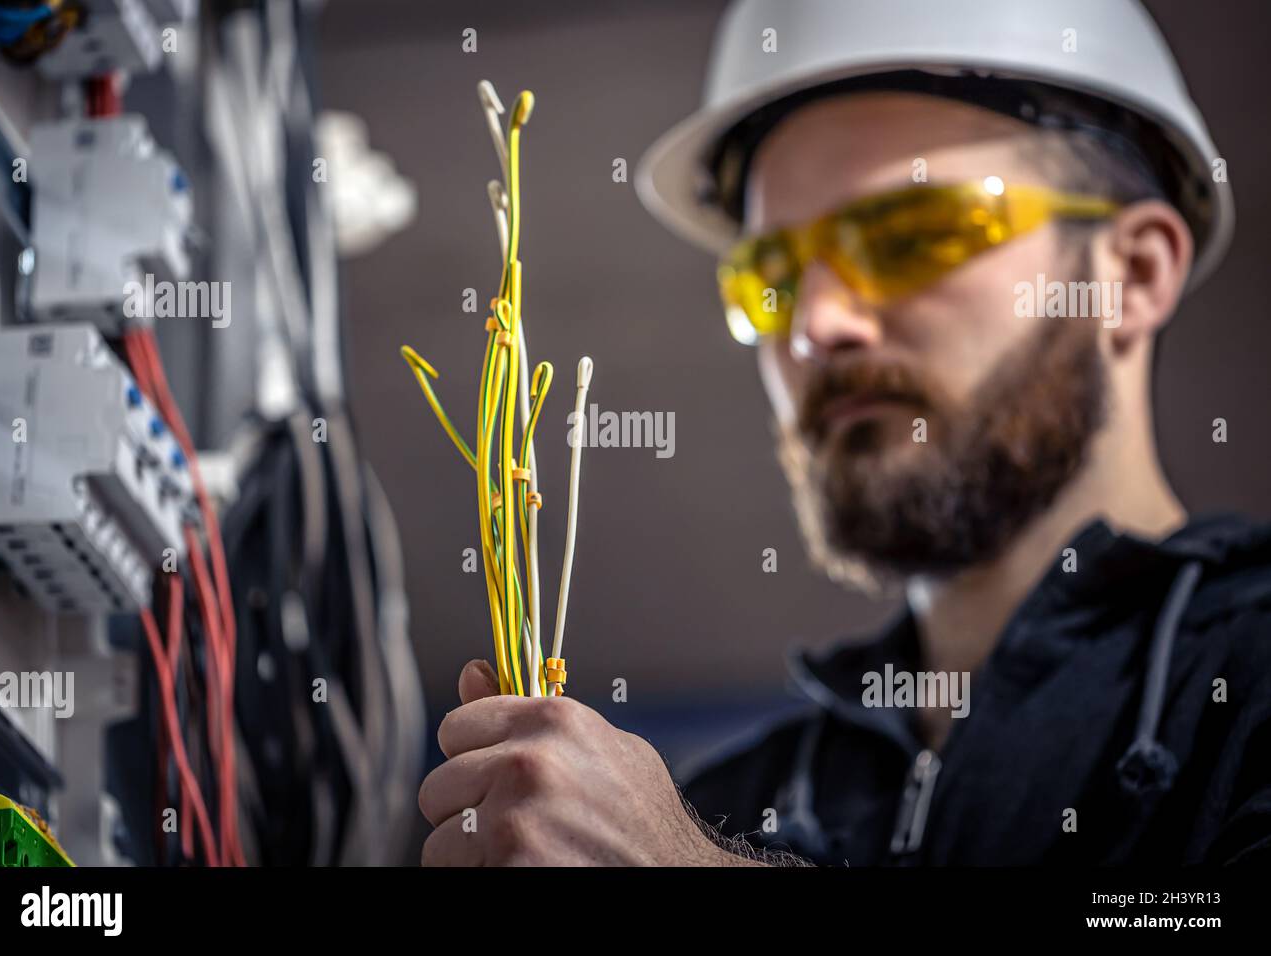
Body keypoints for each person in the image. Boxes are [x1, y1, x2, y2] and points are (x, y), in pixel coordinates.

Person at [417, 0, 1269, 865]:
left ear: (1131, 274)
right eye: (771, 276)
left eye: (908, 237)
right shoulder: (733, 805)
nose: (817, 323)